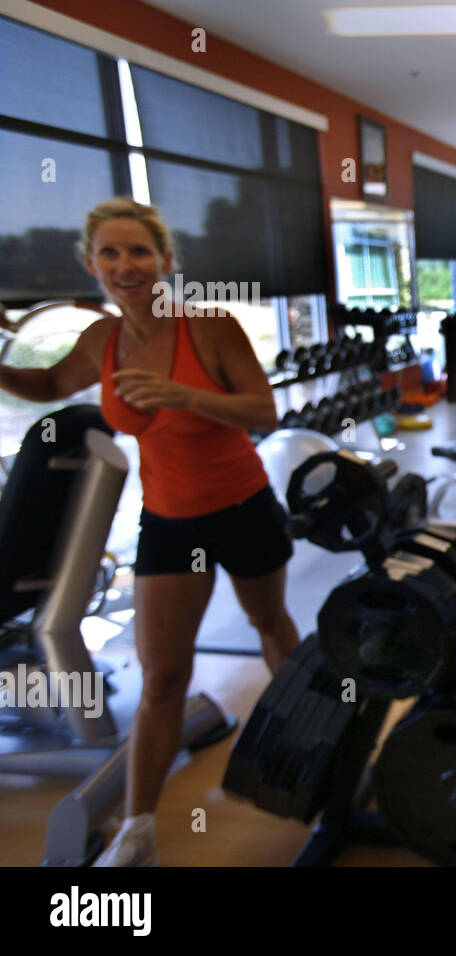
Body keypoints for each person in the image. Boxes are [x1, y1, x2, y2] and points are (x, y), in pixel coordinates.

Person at [0, 198, 300, 865]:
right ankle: (138, 831)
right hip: (168, 520)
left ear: (166, 262)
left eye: (139, 252)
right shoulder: (100, 341)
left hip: (241, 504)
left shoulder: (210, 327)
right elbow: (48, 382)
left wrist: (186, 396)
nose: (125, 266)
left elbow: (264, 409)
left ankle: (305, 752)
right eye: (109, 253)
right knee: (164, 678)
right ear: (91, 264)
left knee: (271, 626)